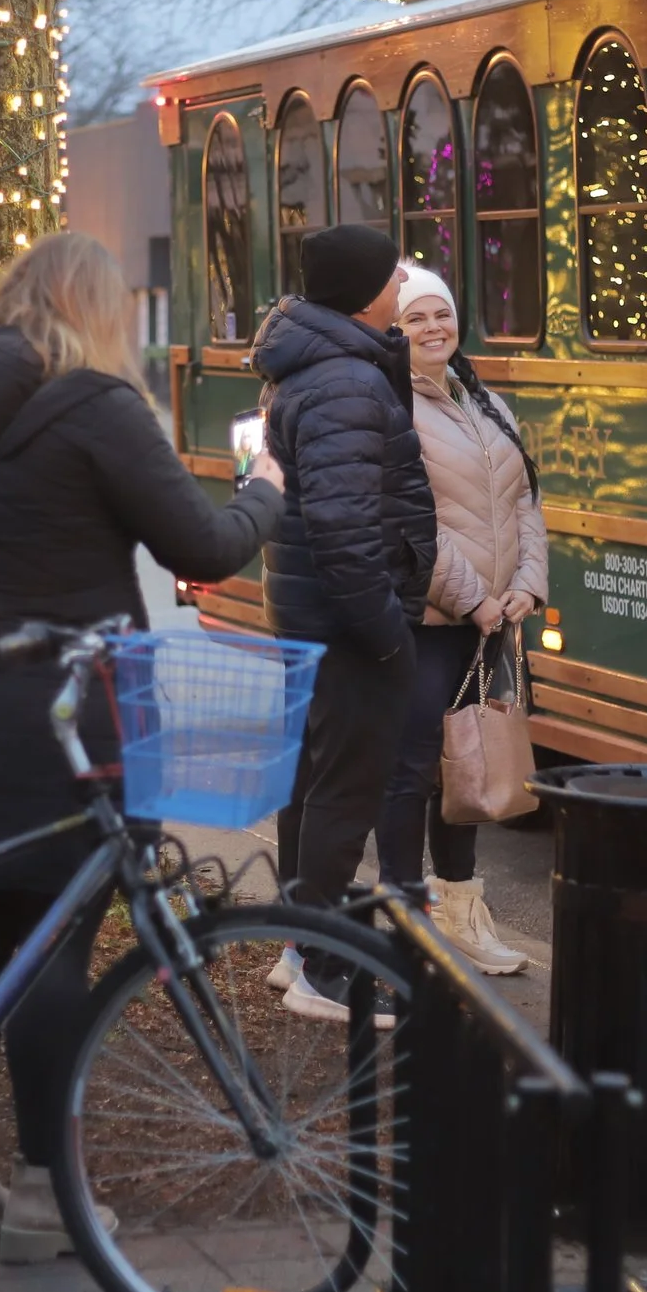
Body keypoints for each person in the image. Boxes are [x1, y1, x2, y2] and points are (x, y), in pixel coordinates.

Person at [0, 231, 283, 1260]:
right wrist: (265, 486)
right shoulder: (98, 406)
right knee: (57, 952)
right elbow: (199, 548)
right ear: (95, 304)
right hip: (64, 709)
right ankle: (42, 1194)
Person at [249, 223, 437, 1024]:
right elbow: (342, 527)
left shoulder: (319, 365)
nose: (404, 285)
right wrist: (390, 632)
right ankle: (322, 969)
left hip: (314, 613)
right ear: (365, 290)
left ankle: (299, 947)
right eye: (393, 275)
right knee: (344, 793)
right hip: (350, 622)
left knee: (317, 784)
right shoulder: (347, 383)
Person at [376, 266, 543, 974]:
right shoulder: (393, 409)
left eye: (442, 314)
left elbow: (526, 505)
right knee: (411, 773)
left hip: (487, 623)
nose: (434, 328)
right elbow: (411, 527)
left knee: (467, 774)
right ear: (395, 330)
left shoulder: (485, 401)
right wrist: (475, 597)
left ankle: (463, 912)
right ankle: (403, 923)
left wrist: (526, 590)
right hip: (430, 622)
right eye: (417, 318)